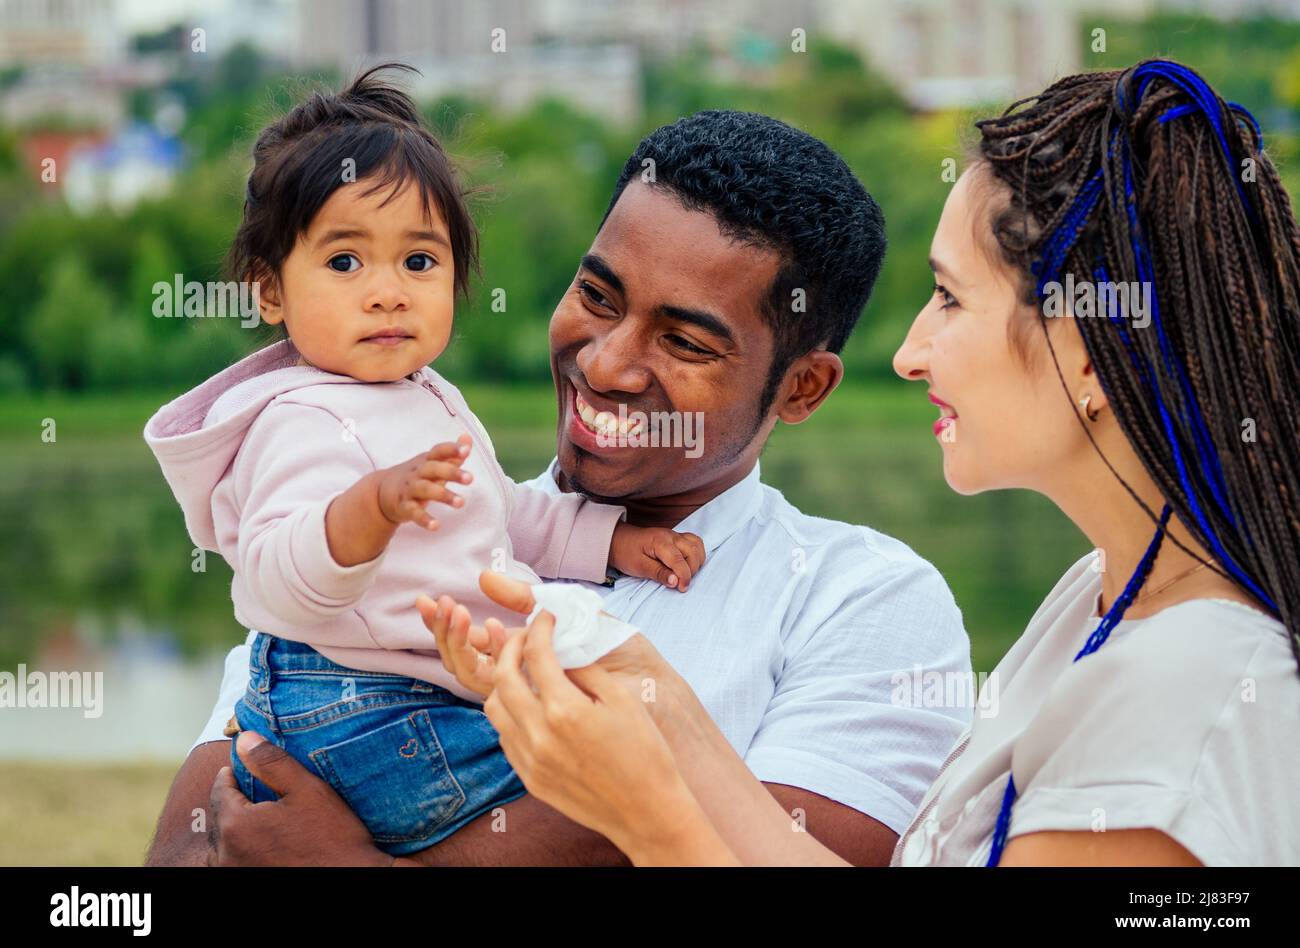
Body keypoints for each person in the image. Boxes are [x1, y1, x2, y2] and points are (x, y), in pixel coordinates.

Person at [346, 58, 1300, 866]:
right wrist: (657, 700)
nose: (911, 351)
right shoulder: (1095, 601)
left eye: (949, 299)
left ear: (1083, 351)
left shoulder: (1185, 689)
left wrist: (651, 820)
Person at [150, 108, 972, 867]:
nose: (607, 363)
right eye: (597, 296)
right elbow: (200, 840)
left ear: (803, 390)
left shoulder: (859, 601)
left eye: (684, 341)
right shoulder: (402, 539)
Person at [142, 64, 704, 858]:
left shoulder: (424, 394)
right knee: (601, 800)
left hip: (410, 694)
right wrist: (367, 510)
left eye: (419, 262)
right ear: (270, 292)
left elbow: (503, 515)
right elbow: (271, 576)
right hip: (359, 706)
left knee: (606, 782)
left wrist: (610, 542)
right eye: (344, 263)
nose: (387, 292)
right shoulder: (301, 418)